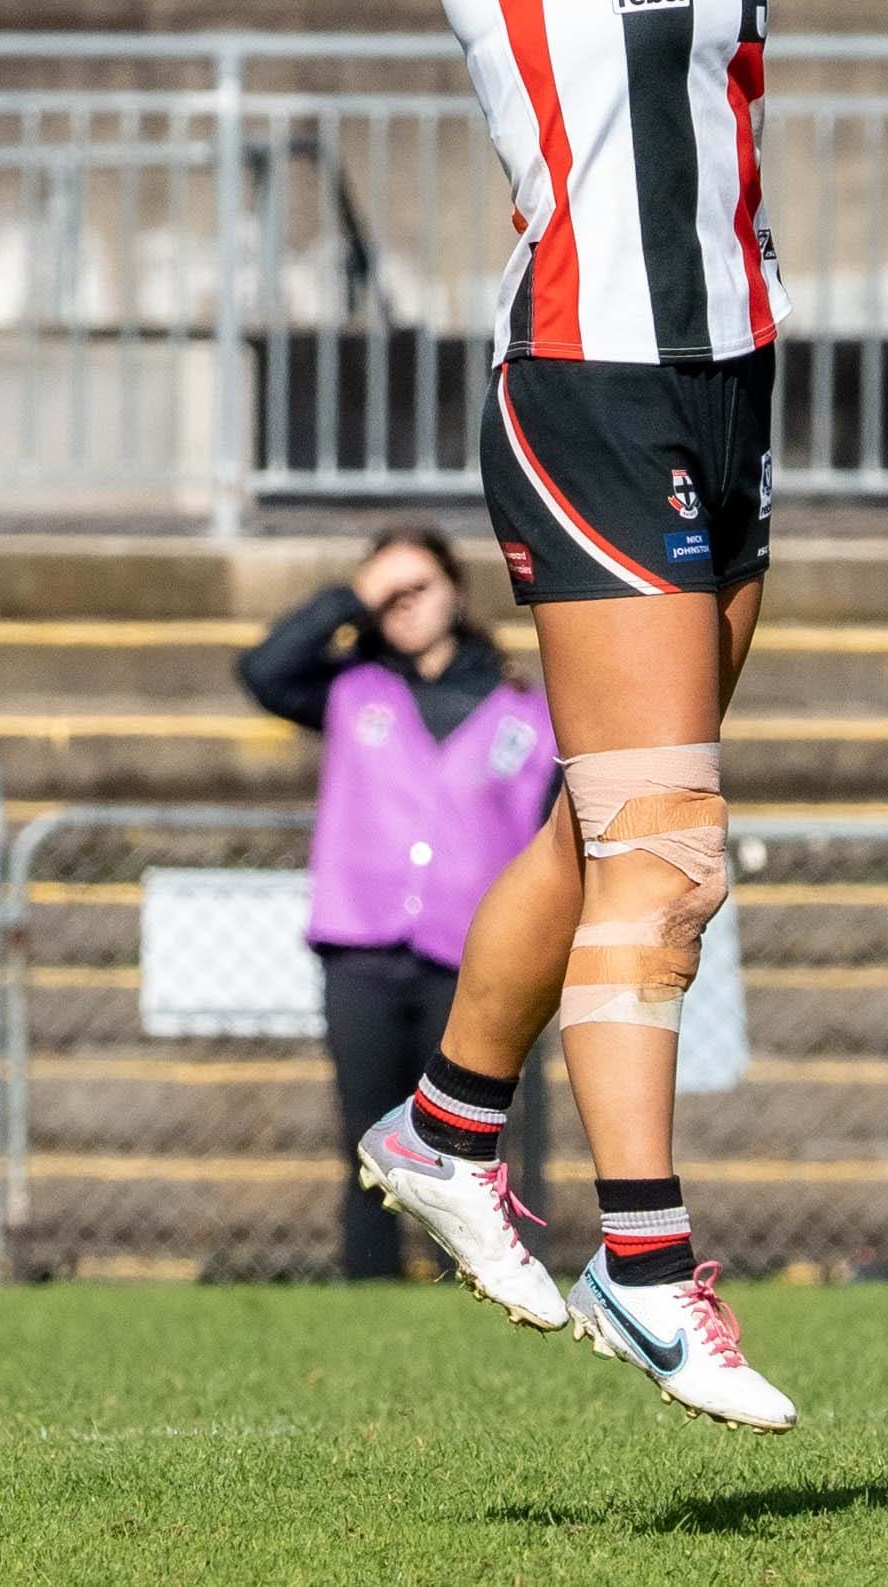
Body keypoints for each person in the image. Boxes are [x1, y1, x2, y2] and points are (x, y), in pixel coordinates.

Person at [346, 0, 887, 1434]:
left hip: (729, 372)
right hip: (585, 372)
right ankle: (646, 1254)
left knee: (612, 813)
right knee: (670, 844)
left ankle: (446, 1123)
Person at [236, 523, 560, 1281]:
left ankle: (480, 1289)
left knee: (466, 1149)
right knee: (364, 1140)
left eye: (416, 585)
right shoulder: (353, 689)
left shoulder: (526, 710)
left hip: (475, 959)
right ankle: (368, 1290)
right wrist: (352, 599)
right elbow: (262, 670)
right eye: (386, 593)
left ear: (455, 589)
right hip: (362, 952)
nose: (401, 605)